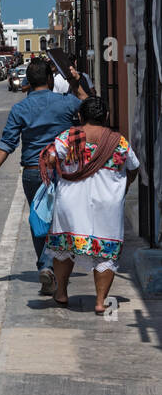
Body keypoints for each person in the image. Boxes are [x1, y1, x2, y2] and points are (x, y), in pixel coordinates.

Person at [0, 58, 88, 295]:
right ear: (51, 80)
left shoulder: (20, 109)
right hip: (62, 171)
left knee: (38, 220)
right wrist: (75, 82)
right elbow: (87, 103)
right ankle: (48, 267)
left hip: (33, 172)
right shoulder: (65, 103)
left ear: (29, 83)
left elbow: (8, 142)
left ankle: (46, 267)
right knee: (59, 221)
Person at [42, 97, 140, 313]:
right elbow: (134, 166)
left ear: (80, 116)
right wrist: (122, 185)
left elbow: (49, 159)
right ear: (105, 117)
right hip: (107, 205)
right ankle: (100, 301)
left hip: (70, 201)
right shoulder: (118, 141)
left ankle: (61, 293)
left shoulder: (68, 137)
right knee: (106, 252)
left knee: (64, 249)